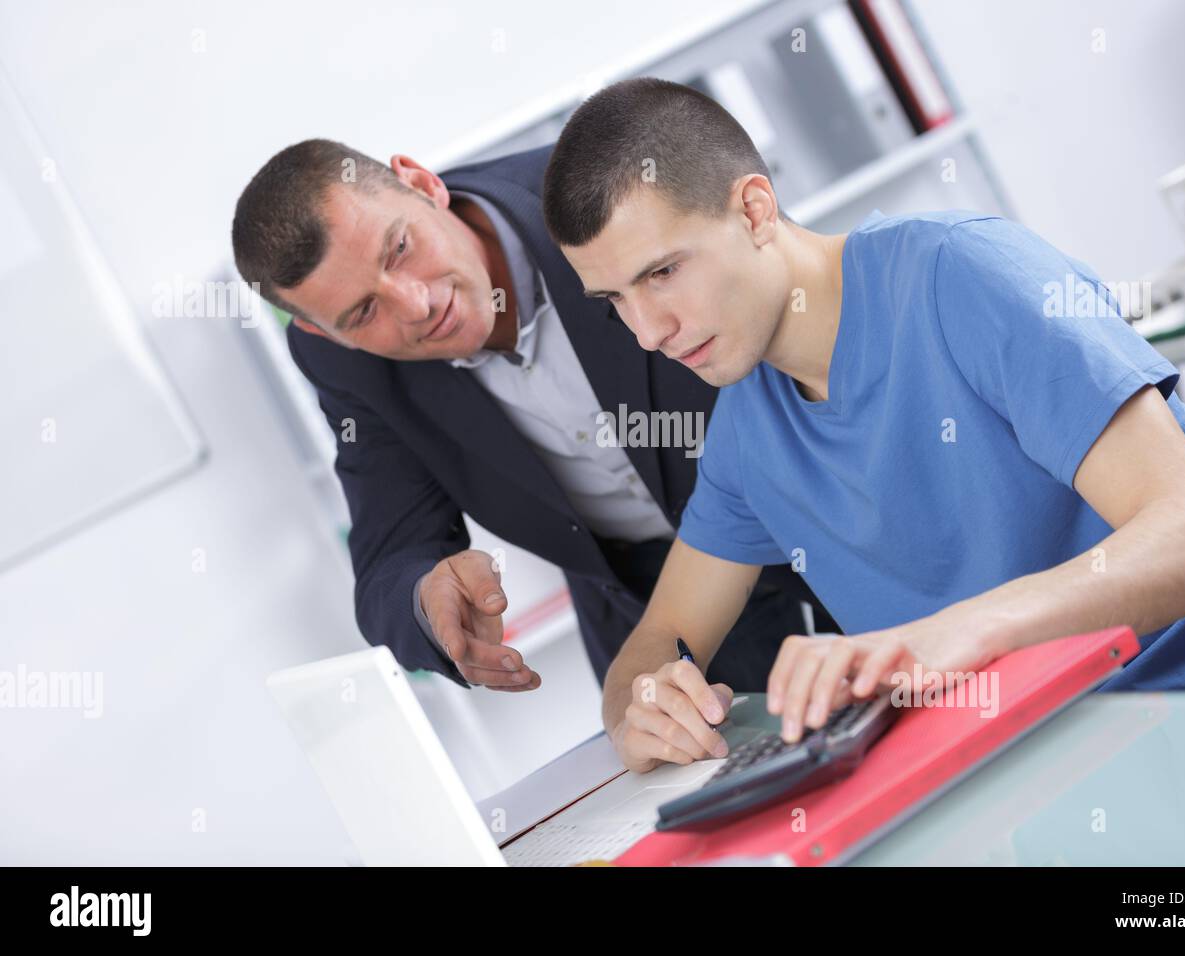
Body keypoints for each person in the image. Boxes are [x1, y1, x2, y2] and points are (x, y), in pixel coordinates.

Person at [541, 77, 1185, 773]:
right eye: (614, 300)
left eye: (662, 273)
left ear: (754, 210)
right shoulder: (746, 428)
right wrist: (640, 705)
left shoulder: (964, 275)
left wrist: (961, 633)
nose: (647, 332)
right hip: (1011, 784)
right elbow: (657, 638)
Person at [231, 139, 833, 697]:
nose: (418, 305)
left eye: (401, 249)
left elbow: (805, 329)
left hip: (825, 514)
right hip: (651, 611)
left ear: (421, 183)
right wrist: (426, 599)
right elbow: (391, 549)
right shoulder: (342, 361)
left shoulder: (607, 183)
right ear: (318, 329)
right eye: (363, 311)